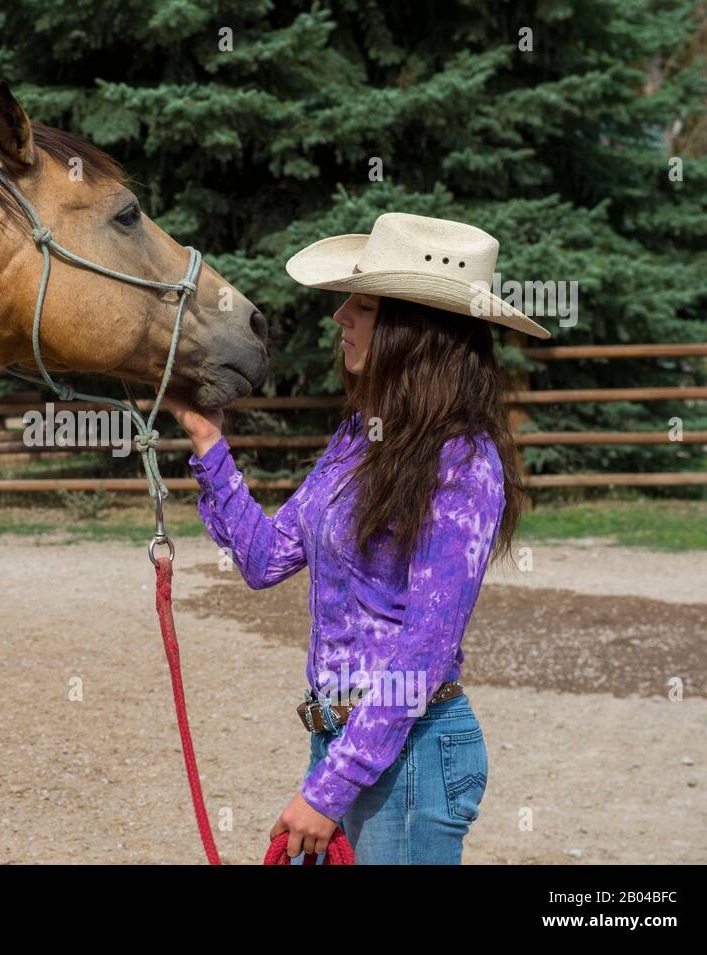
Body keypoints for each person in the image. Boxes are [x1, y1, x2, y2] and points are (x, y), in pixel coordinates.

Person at [163, 212, 551, 864]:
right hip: (348, 744)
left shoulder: (463, 461)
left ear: (415, 332)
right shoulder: (357, 440)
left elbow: (424, 649)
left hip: (410, 755)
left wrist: (330, 787)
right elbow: (264, 558)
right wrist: (208, 442)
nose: (340, 316)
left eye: (363, 305)